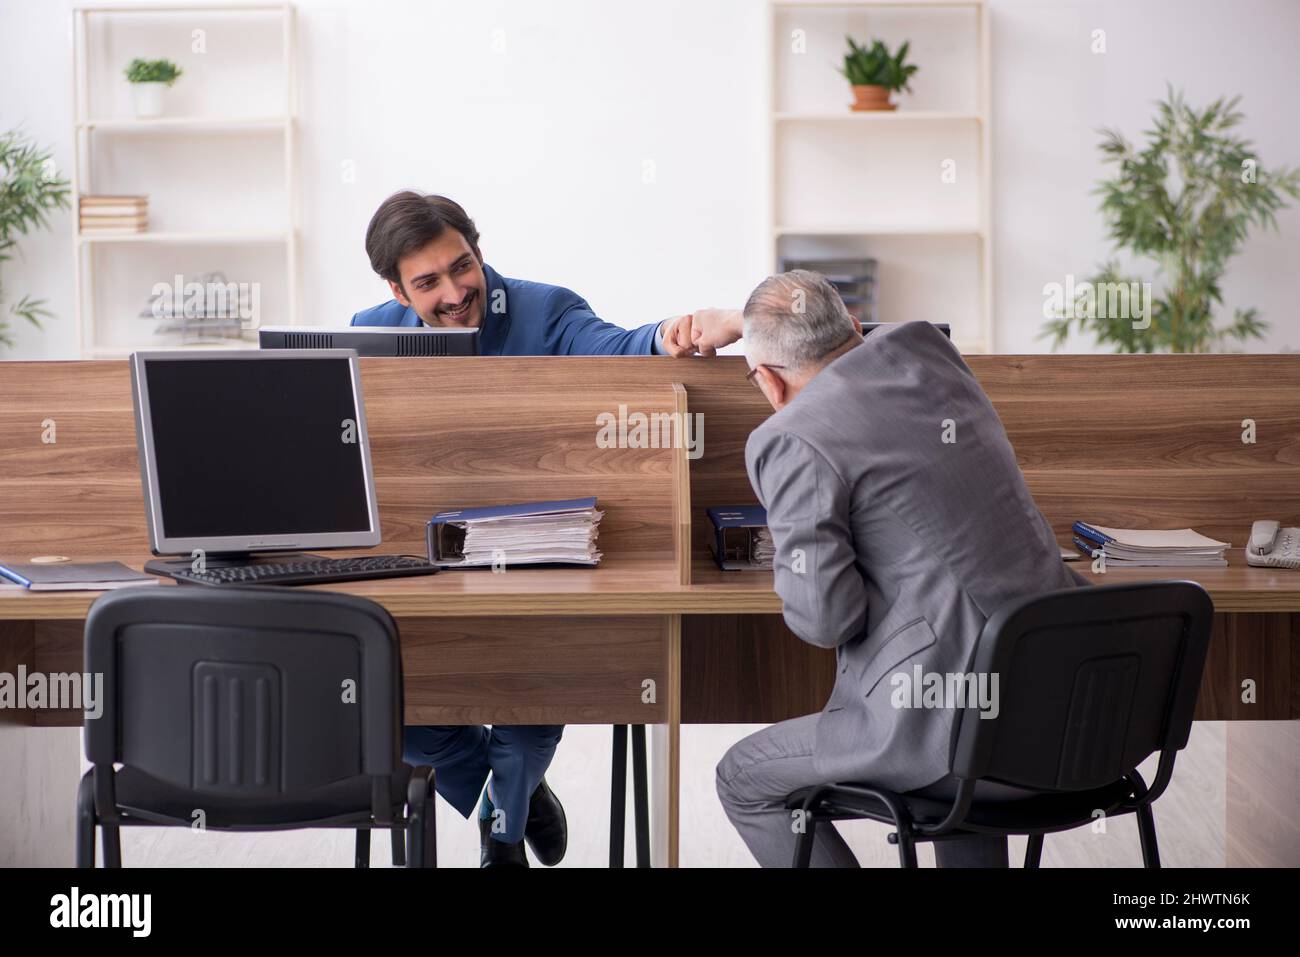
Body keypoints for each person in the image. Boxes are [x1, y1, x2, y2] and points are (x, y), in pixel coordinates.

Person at [352, 190, 743, 866]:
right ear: (395, 288)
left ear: (479, 250)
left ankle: (502, 836)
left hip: (539, 558)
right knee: (391, 705)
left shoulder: (544, 308)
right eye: (427, 281)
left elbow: (620, 348)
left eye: (462, 265)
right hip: (425, 566)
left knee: (534, 695)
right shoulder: (369, 331)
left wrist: (672, 332)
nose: (453, 291)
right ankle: (515, 794)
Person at [716, 270, 1082, 867]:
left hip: (945, 729)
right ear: (855, 329)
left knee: (744, 779)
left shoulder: (791, 436)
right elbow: (860, 342)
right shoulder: (931, 354)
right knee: (966, 748)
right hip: (1070, 714)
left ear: (769, 382)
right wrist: (746, 320)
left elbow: (826, 620)